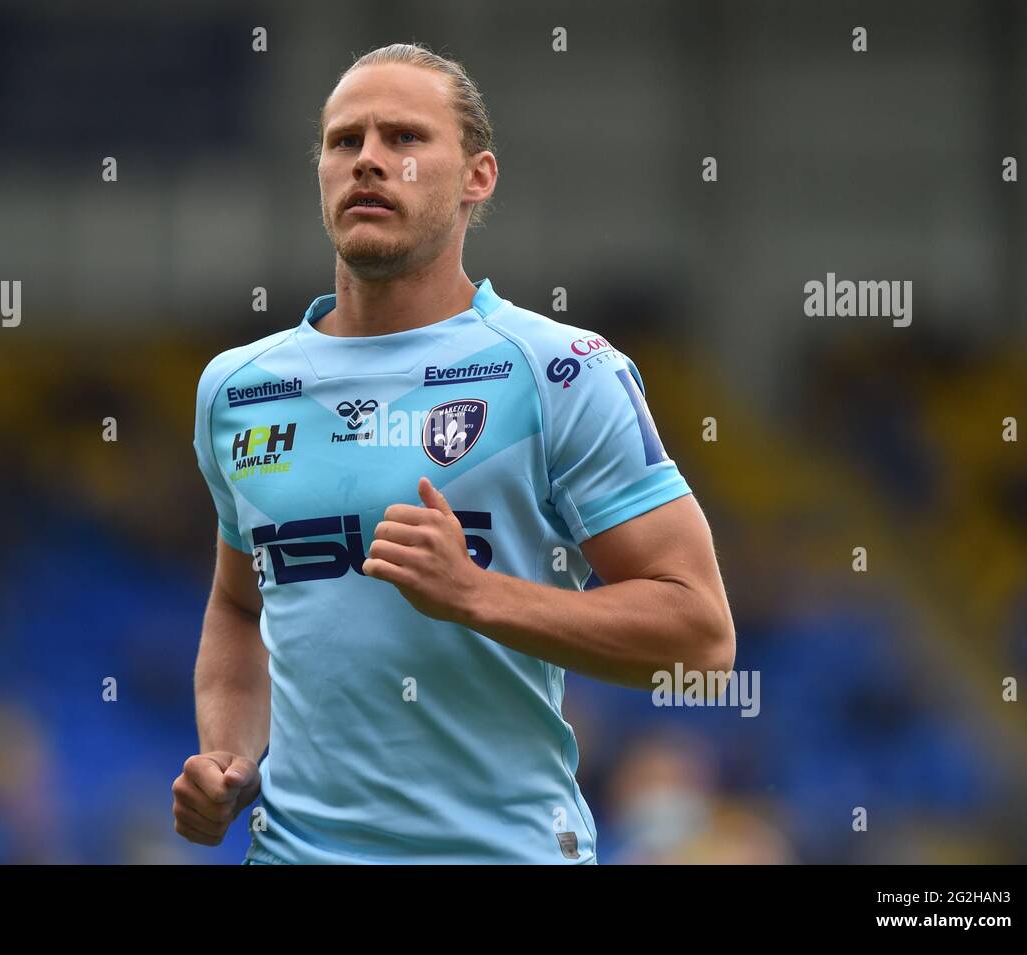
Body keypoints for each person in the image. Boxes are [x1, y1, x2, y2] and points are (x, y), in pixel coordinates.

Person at [173, 42, 735, 864]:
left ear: (478, 177)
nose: (368, 159)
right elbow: (237, 607)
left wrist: (477, 594)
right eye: (343, 141)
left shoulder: (561, 371)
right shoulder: (237, 388)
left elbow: (703, 638)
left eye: (404, 138)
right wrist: (230, 753)